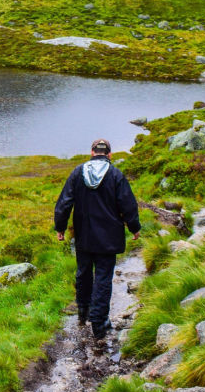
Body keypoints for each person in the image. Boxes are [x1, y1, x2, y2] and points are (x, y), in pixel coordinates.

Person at [53, 138, 141, 340]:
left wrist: (60, 227)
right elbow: (128, 204)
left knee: (83, 273)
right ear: (109, 155)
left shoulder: (77, 173)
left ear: (92, 152)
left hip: (83, 235)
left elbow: (64, 202)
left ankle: (83, 312)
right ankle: (99, 323)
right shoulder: (116, 175)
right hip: (108, 238)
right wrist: (134, 227)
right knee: (103, 278)